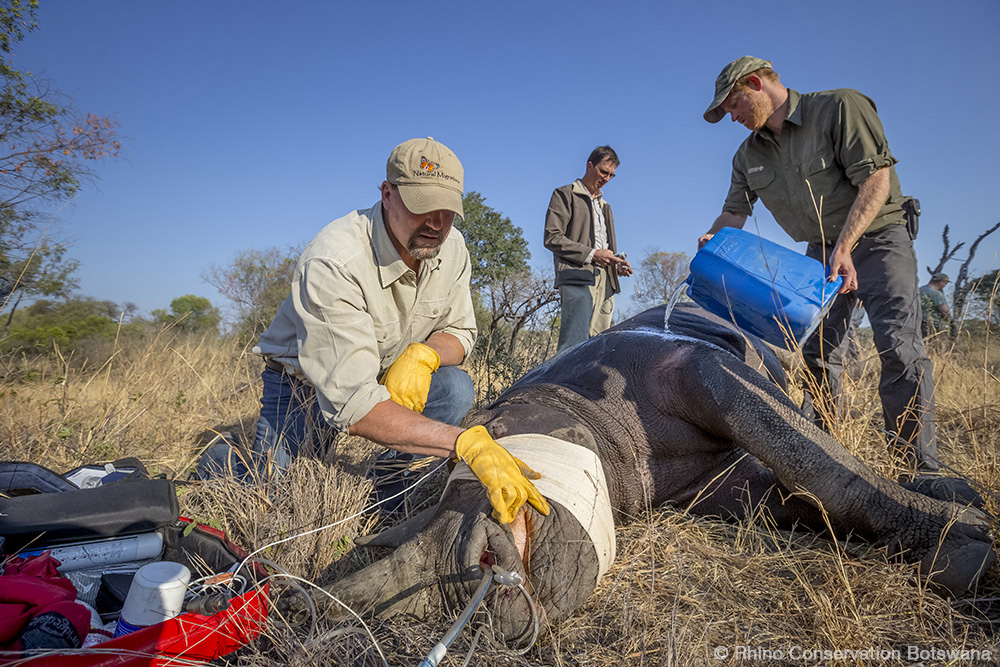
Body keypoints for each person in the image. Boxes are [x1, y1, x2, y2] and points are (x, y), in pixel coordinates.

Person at [201, 137, 548, 525]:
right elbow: (352, 402)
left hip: (386, 371)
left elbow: (461, 331)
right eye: (421, 207)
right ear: (387, 194)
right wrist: (463, 443)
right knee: (273, 499)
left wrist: (426, 355)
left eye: (447, 210)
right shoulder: (334, 261)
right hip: (304, 386)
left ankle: (388, 485)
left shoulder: (454, 249)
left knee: (454, 387)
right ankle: (223, 461)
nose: (435, 223)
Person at [699, 56, 938, 477]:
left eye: (733, 106)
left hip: (879, 240)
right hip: (821, 253)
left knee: (899, 349)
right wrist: (712, 239)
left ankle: (916, 473)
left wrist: (845, 245)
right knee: (818, 353)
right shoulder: (746, 155)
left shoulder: (839, 107)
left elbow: (876, 180)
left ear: (756, 83)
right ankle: (824, 459)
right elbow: (734, 213)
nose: (731, 117)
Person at [544, 146, 633, 352]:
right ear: (589, 165)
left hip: (606, 281)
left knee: (598, 347)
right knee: (573, 346)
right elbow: (552, 237)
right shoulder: (564, 194)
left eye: (611, 175)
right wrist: (593, 254)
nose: (607, 178)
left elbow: (606, 247)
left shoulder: (606, 207)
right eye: (604, 171)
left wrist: (616, 264)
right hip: (577, 276)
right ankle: (561, 385)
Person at [920, 272, 952, 338]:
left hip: (916, 323)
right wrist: (948, 320)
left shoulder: (918, 290)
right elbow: (944, 311)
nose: (945, 286)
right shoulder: (936, 293)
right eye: (945, 283)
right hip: (932, 325)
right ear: (941, 282)